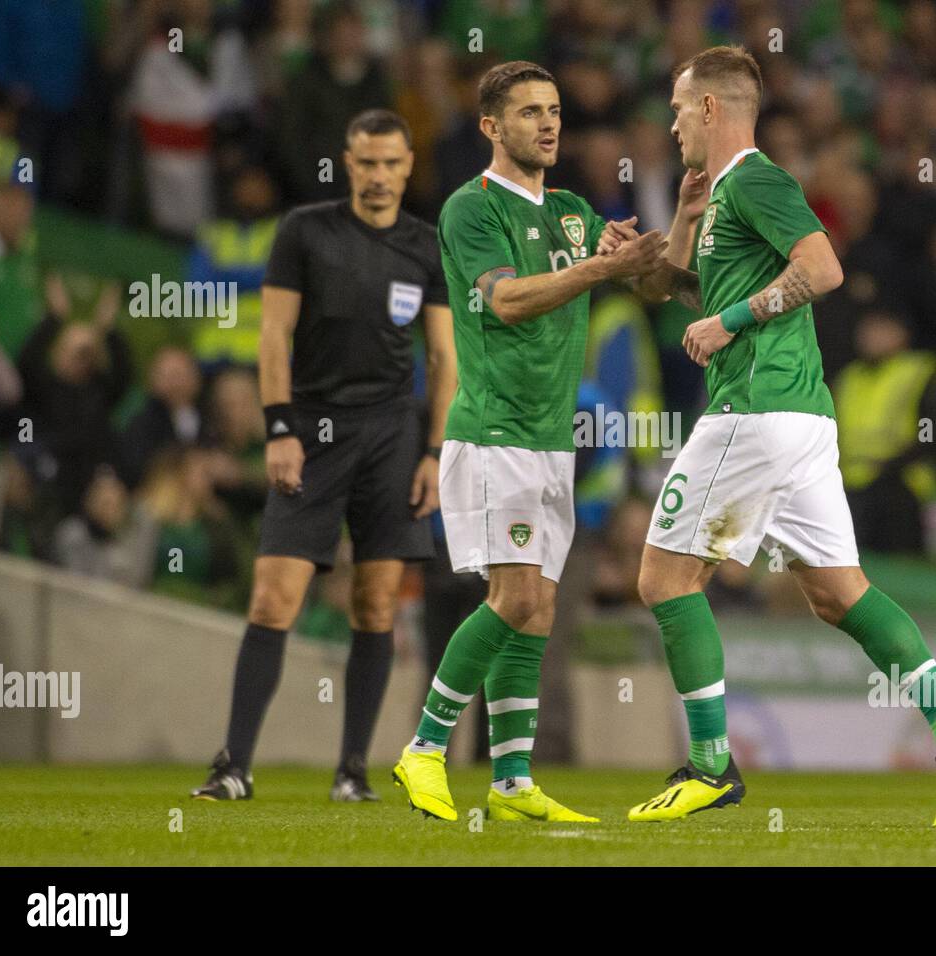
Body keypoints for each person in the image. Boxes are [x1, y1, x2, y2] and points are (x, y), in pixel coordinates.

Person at [617, 46, 936, 826]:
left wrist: (731, 320)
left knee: (664, 580)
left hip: (754, 414)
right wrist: (676, 226)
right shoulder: (717, 196)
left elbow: (823, 268)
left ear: (711, 108)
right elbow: (676, 291)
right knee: (837, 594)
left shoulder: (757, 180)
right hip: (801, 420)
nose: (672, 122)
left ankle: (712, 765)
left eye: (679, 107)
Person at [390, 60, 666, 824]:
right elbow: (508, 300)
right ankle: (424, 748)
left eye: (553, 111)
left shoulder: (574, 211)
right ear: (491, 126)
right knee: (513, 598)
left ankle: (512, 782)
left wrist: (658, 239)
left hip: (551, 444)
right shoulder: (470, 209)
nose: (547, 124)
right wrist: (597, 268)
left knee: (538, 608)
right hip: (495, 434)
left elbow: (635, 280)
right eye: (528, 112)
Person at [192, 109, 456, 802]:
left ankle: (352, 772)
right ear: (347, 163)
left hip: (393, 434)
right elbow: (273, 337)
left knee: (375, 603)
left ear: (408, 167)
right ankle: (233, 766)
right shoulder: (304, 231)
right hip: (312, 430)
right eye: (366, 162)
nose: (378, 175)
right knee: (273, 595)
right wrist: (279, 428)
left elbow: (443, 358)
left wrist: (435, 452)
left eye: (391, 163)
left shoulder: (427, 246)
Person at [834, 311, 936, 554]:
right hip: (847, 483)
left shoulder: (919, 371)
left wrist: (895, 464)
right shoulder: (849, 376)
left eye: (881, 329)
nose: (870, 337)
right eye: (866, 329)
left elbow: (930, 431)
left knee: (892, 559)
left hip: (901, 485)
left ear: (901, 335)